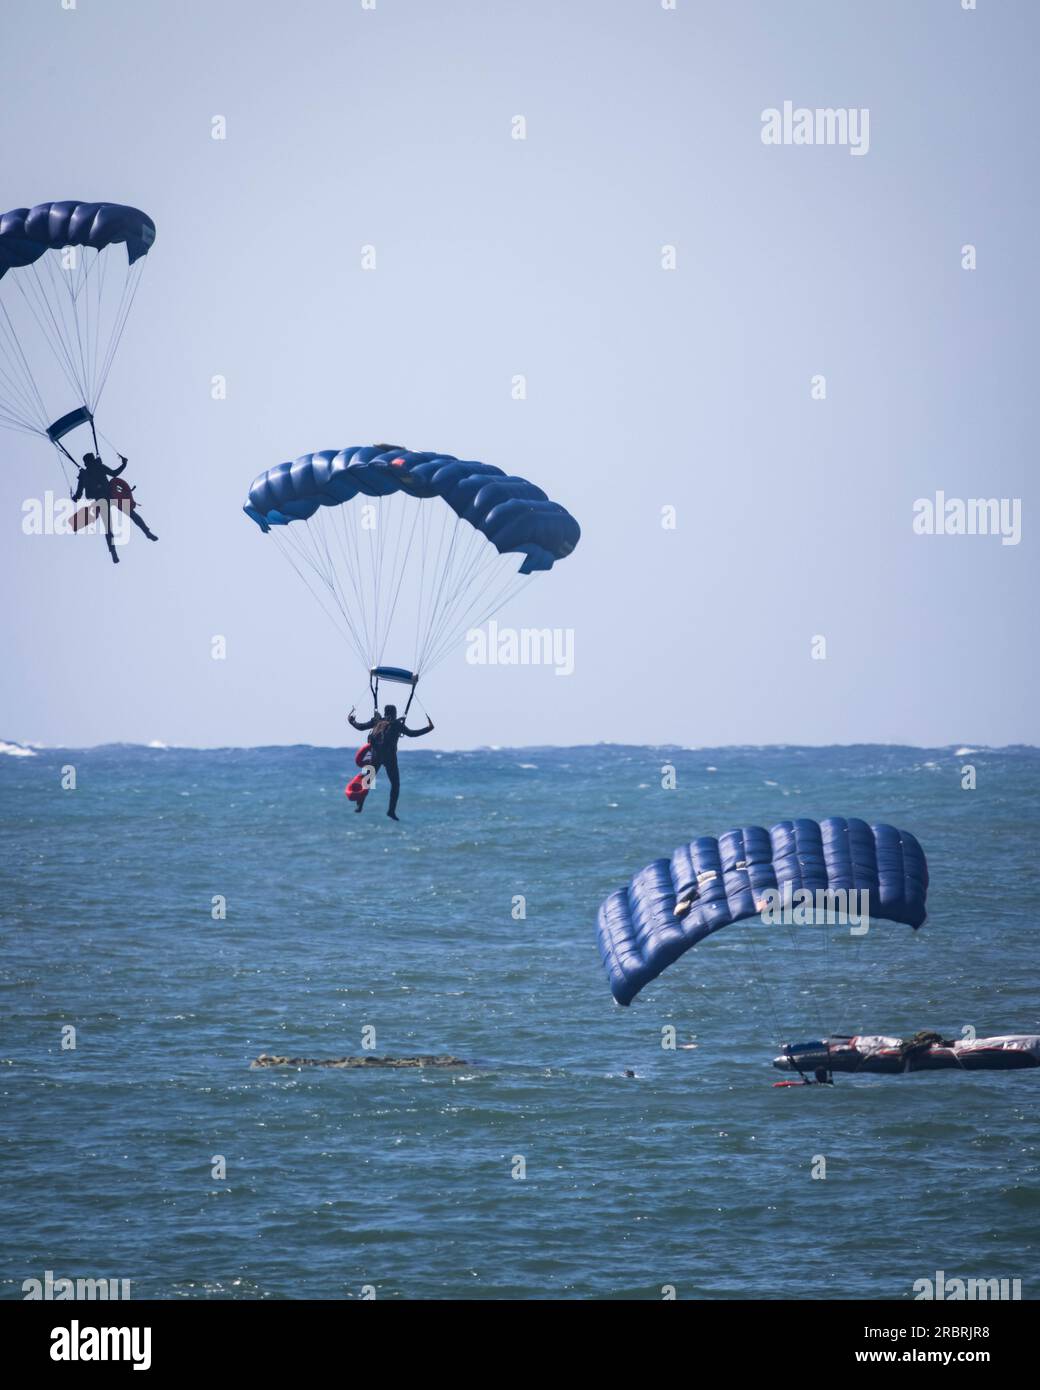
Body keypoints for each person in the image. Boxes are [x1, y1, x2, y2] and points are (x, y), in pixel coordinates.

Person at [347, 701, 434, 819]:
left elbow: (360, 727)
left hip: (374, 756)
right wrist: (429, 728)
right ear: (395, 714)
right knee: (395, 784)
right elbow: (413, 734)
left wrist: (351, 720)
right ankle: (391, 811)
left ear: (384, 712)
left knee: (367, 782)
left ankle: (359, 805)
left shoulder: (376, 721)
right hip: (390, 758)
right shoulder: (396, 724)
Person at [72, 452, 158, 563]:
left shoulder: (85, 474)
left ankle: (114, 551)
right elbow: (114, 473)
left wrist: (74, 497)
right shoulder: (96, 467)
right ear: (92, 460)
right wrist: (124, 464)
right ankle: (146, 533)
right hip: (110, 496)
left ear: (86, 463)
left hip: (104, 499)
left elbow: (78, 495)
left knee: (110, 526)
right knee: (131, 515)